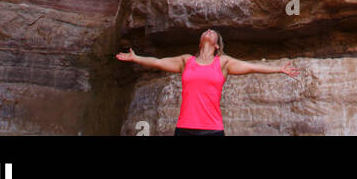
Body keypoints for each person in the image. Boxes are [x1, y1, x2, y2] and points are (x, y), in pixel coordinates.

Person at [116, 28, 299, 136]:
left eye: (213, 33)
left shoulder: (223, 63)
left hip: (211, 129)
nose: (209, 30)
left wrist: (279, 69)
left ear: (217, 45)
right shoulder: (187, 61)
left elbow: (251, 67)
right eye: (206, 31)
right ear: (200, 41)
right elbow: (158, 62)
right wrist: (136, 58)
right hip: (185, 127)